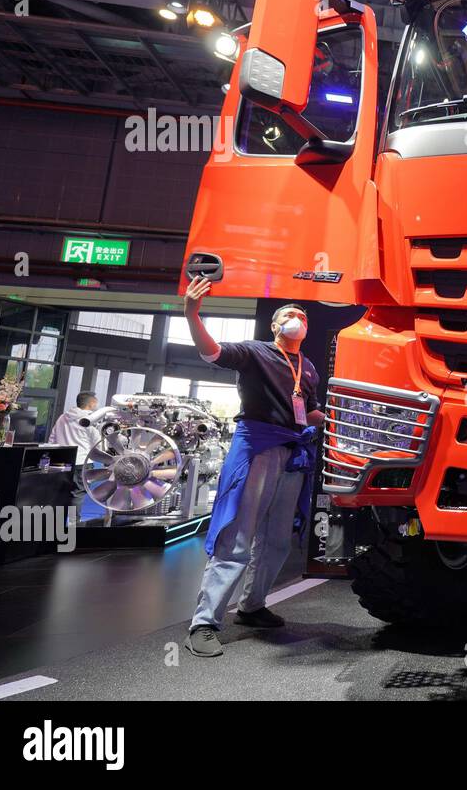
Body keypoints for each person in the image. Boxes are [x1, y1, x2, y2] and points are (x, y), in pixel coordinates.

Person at [182, 276, 323, 659]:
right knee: (238, 536)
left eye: (302, 315)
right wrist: (193, 313)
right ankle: (204, 622)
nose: (298, 318)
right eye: (290, 314)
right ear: (276, 326)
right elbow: (211, 352)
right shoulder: (255, 351)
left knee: (278, 539)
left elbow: (304, 410)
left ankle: (252, 606)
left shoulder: (307, 367)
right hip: (257, 447)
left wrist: (327, 417)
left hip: (292, 452)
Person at [48, 390, 102, 505]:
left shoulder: (62, 417)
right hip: (82, 463)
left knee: (61, 493)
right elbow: (97, 445)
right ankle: (73, 523)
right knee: (78, 494)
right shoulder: (90, 420)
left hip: (62, 461)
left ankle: (58, 522)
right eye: (96, 403)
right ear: (91, 403)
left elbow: (52, 439)